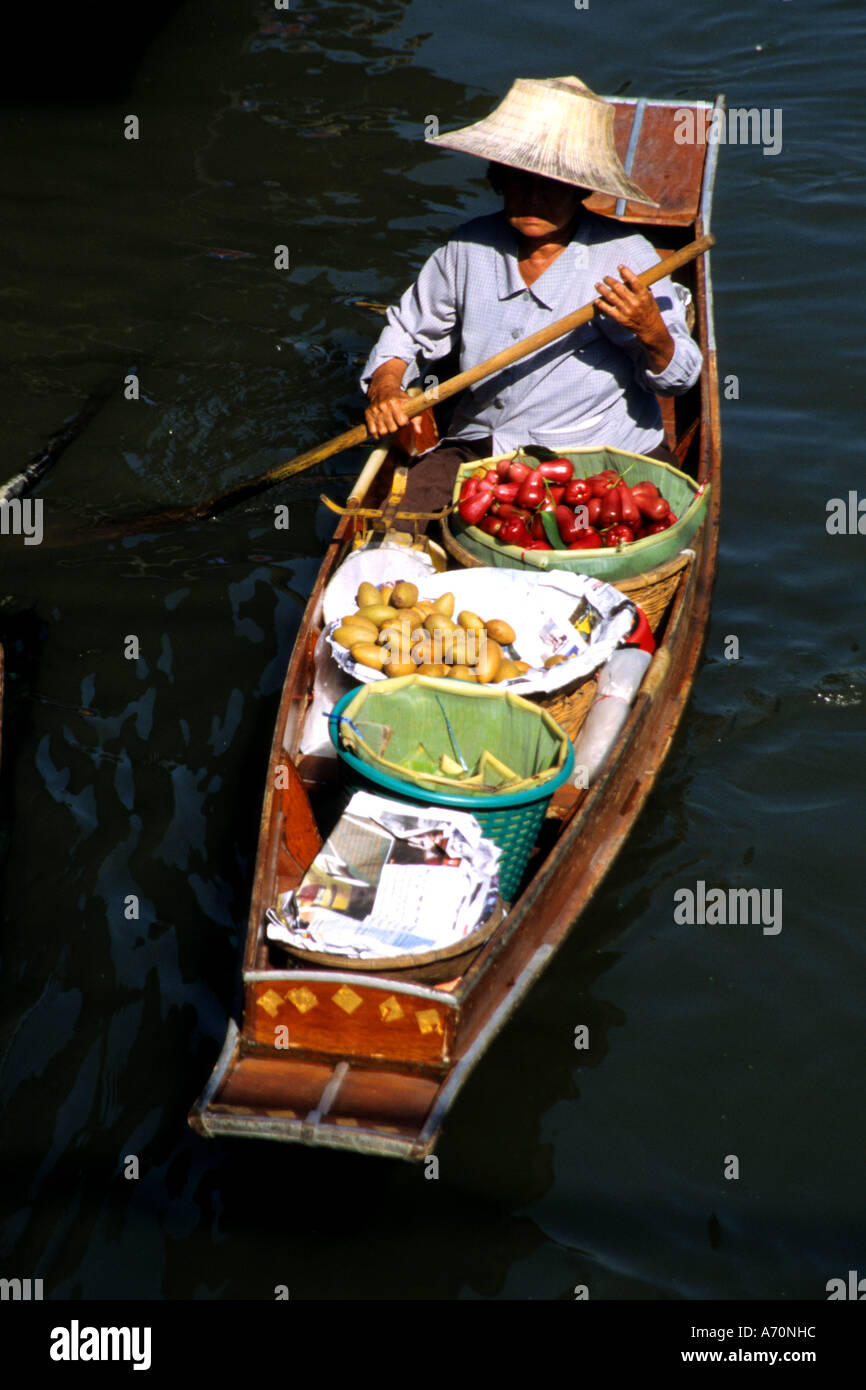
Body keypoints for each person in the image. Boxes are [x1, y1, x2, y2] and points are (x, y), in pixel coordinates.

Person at [360, 76, 702, 517]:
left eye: (552, 185)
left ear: (581, 189)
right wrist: (386, 386)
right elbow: (406, 330)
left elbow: (679, 379)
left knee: (643, 531)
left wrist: (652, 330)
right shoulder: (468, 247)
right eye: (520, 180)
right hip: (487, 446)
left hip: (602, 455)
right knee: (399, 523)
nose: (533, 198)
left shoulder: (626, 257)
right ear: (500, 179)